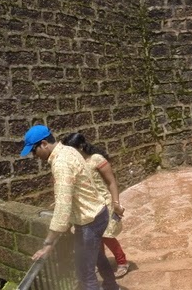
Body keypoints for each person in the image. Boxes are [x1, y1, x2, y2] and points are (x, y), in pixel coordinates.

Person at [20, 124, 122, 290]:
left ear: (44, 144)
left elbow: (62, 209)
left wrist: (48, 243)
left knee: (85, 273)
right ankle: (111, 285)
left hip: (89, 220)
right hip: (98, 211)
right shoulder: (69, 150)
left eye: (34, 150)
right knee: (96, 255)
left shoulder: (60, 164)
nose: (34, 155)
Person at [62, 133, 130, 279]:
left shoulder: (96, 159)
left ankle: (122, 261)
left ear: (80, 147)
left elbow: (112, 182)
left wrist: (116, 203)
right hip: (89, 205)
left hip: (105, 202)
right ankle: (102, 264)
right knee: (95, 237)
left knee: (107, 235)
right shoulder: (74, 164)